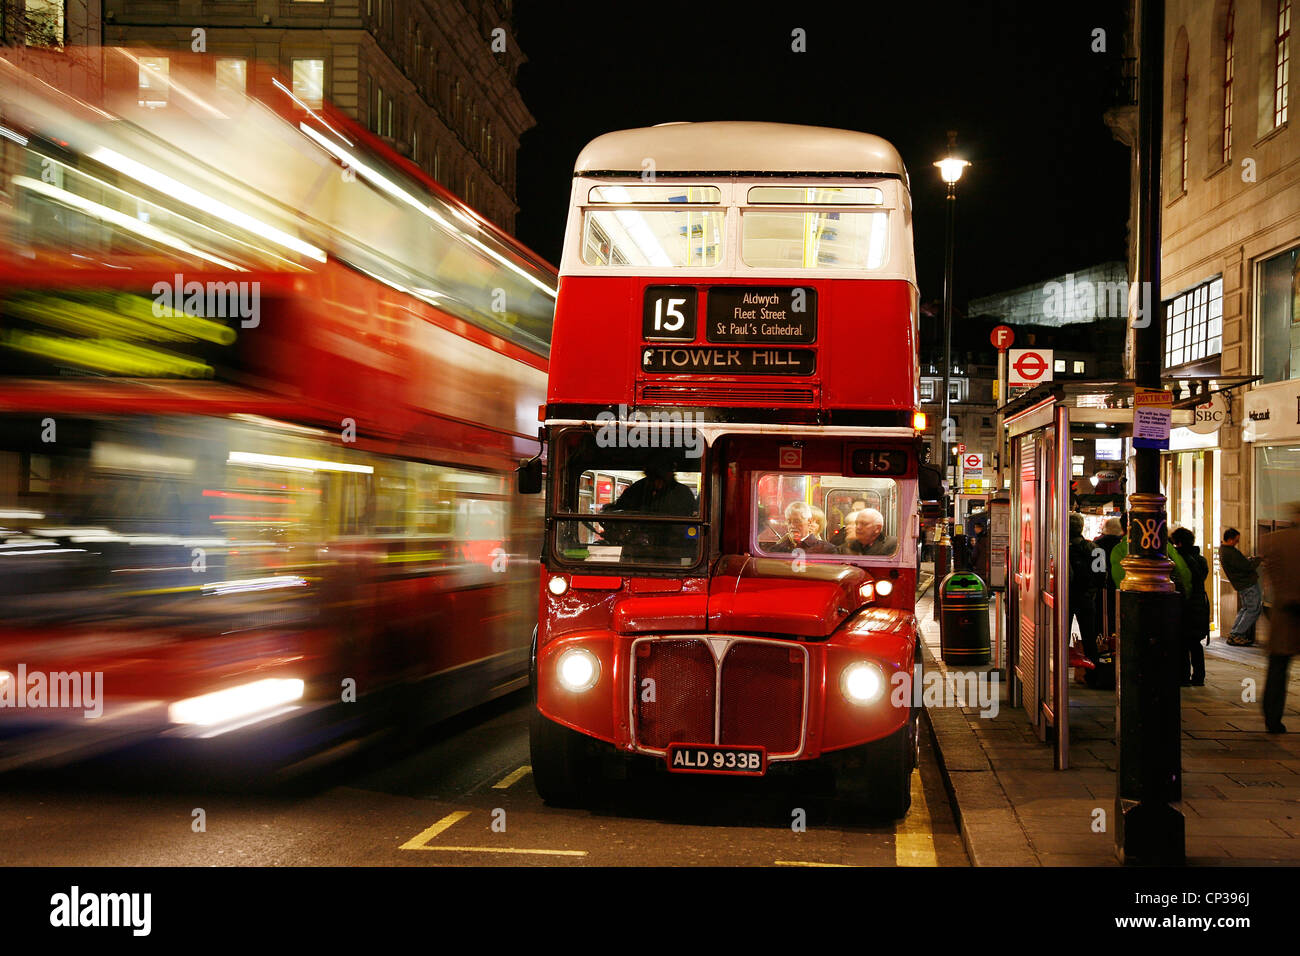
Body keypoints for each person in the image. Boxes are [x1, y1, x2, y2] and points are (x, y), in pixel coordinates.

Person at [1259, 504, 1300, 733]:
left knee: (1278, 668)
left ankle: (1272, 717)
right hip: (1289, 612)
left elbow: (1271, 573)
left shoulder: (1274, 541)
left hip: (1284, 612)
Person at [1170, 527, 1209, 686]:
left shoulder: (1179, 559)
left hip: (1184, 605)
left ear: (1178, 543)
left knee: (1182, 643)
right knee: (1195, 643)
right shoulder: (1201, 559)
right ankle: (1199, 677)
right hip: (1199, 604)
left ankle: (1183, 677)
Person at [1068, 513, 1103, 663]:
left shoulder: (1062, 549)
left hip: (1067, 597)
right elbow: (1101, 574)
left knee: (1062, 636)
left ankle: (1059, 668)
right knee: (1089, 636)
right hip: (1086, 597)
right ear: (1081, 527)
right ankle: (1093, 671)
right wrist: (1092, 591)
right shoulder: (1095, 548)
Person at [1221, 527, 1263, 646]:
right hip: (1247, 584)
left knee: (1246, 608)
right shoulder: (1229, 552)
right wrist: (1258, 559)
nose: (1237, 542)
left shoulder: (1225, 550)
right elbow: (1246, 567)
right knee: (1253, 609)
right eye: (1236, 540)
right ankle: (1237, 634)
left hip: (1242, 584)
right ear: (1229, 539)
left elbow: (1242, 563)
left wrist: (1249, 560)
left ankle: (1234, 633)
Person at [770, 501, 840, 554]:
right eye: (789, 522)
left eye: (797, 521)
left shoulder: (828, 550)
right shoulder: (776, 550)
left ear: (809, 522)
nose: (792, 526)